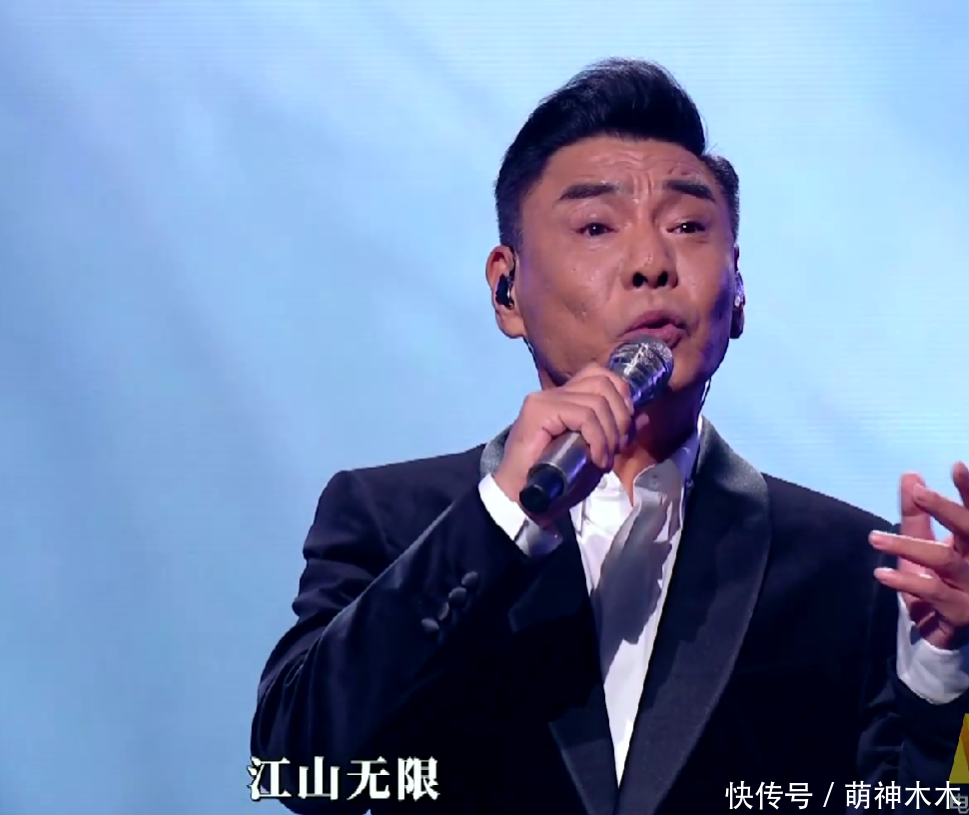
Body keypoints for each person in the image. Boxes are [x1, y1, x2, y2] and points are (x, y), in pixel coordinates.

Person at [250, 59, 969, 815]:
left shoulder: (861, 571)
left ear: (739, 290)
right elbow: (297, 771)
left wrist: (940, 676)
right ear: (506, 289)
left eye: (688, 227)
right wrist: (501, 520)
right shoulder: (393, 519)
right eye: (596, 227)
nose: (651, 264)